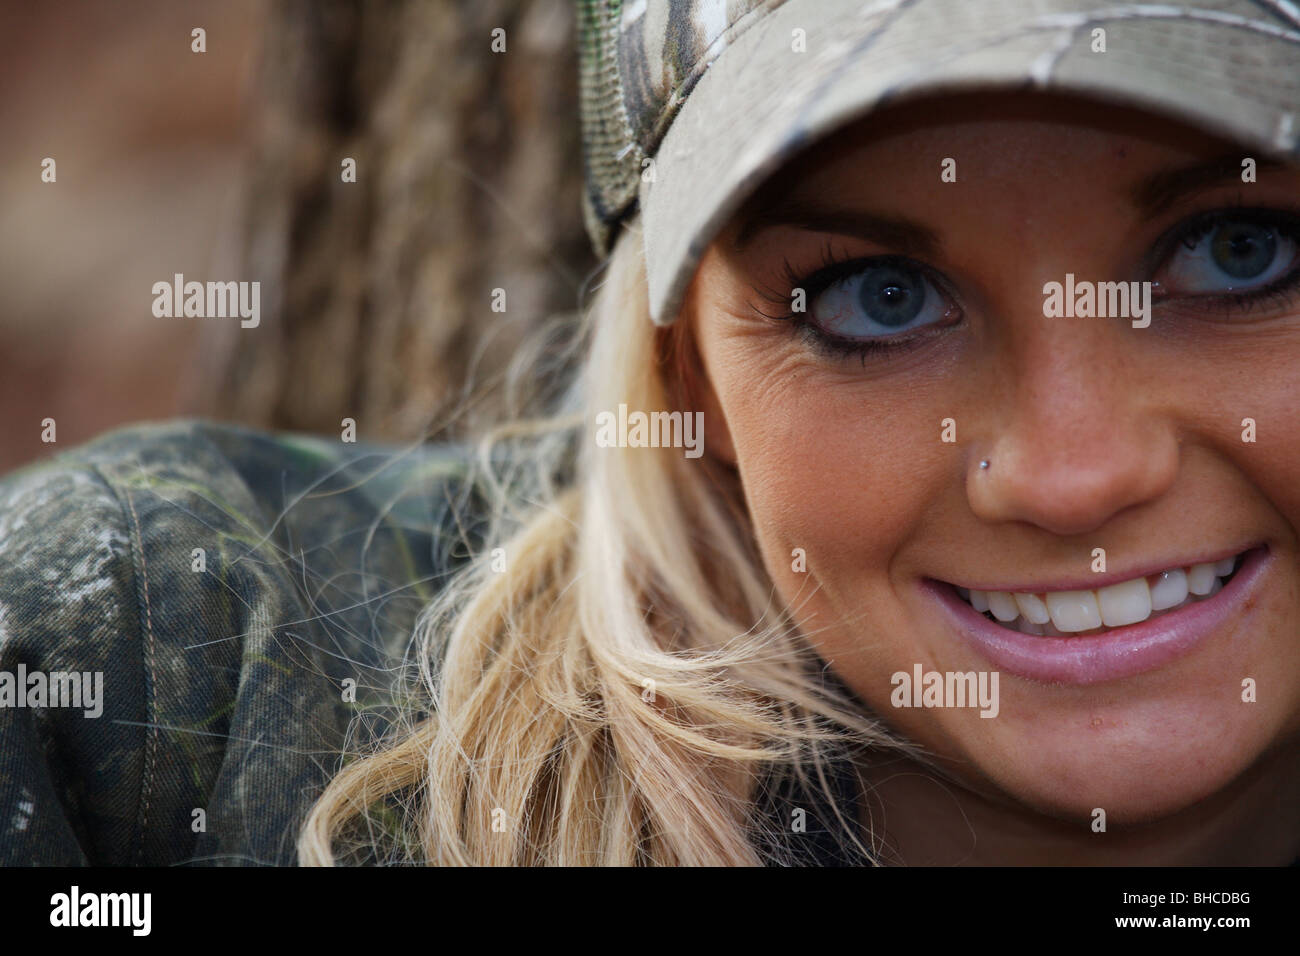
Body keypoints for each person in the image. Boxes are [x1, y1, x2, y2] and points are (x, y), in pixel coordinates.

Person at [2, 0, 1298, 867]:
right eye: (877, 299)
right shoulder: (169, 670)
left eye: (1241, 255)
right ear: (687, 377)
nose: (1074, 478)